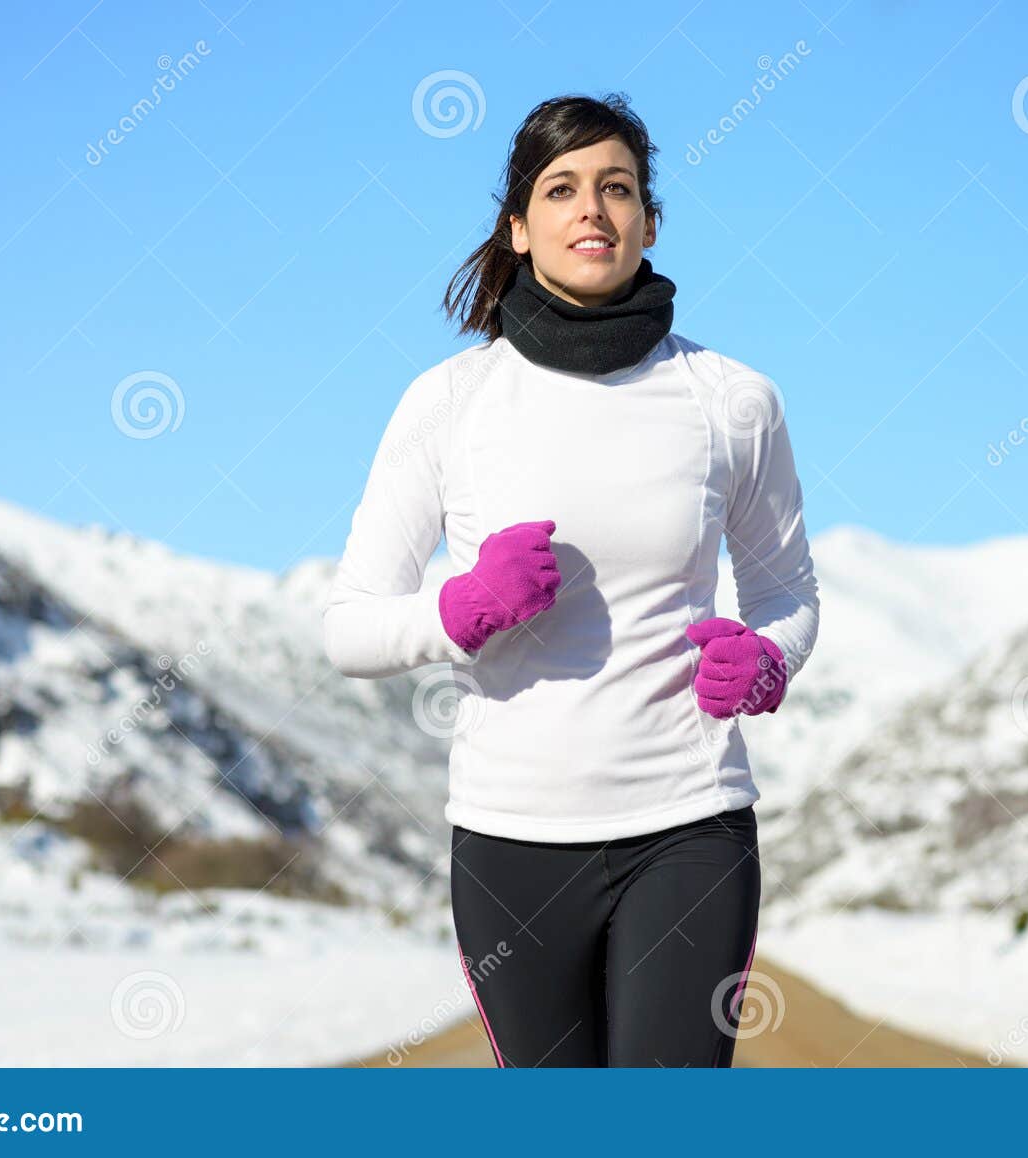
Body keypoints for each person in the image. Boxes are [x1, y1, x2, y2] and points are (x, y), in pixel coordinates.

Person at [321, 92, 820, 1067]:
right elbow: (349, 628)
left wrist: (766, 661)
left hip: (690, 825)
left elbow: (787, 595)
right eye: (562, 188)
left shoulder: (732, 401)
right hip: (511, 840)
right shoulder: (450, 403)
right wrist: (463, 609)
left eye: (617, 187)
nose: (592, 208)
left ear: (648, 220)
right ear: (519, 226)